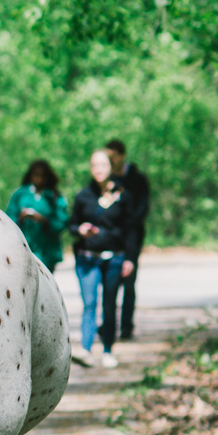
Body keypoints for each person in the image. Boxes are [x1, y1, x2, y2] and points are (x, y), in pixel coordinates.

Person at [68, 149, 140, 369]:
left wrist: (130, 258)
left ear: (111, 168)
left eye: (103, 165)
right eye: (94, 165)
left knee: (110, 306)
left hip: (115, 259)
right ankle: (86, 350)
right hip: (88, 259)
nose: (98, 169)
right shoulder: (83, 196)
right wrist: (80, 229)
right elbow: (71, 225)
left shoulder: (123, 196)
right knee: (89, 303)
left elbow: (131, 230)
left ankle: (108, 350)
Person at [105, 139, 150, 340]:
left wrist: (129, 224)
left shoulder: (138, 179)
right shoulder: (106, 180)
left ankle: (126, 326)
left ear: (121, 156)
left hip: (132, 236)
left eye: (113, 156)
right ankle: (109, 325)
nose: (111, 160)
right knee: (110, 282)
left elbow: (143, 208)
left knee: (128, 280)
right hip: (112, 238)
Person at [5, 159, 68, 272]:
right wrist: (20, 218)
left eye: (42, 176)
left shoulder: (54, 197)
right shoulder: (20, 194)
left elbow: (61, 223)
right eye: (36, 175)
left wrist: (44, 221)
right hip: (25, 250)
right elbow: (8, 220)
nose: (39, 179)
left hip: (47, 251)